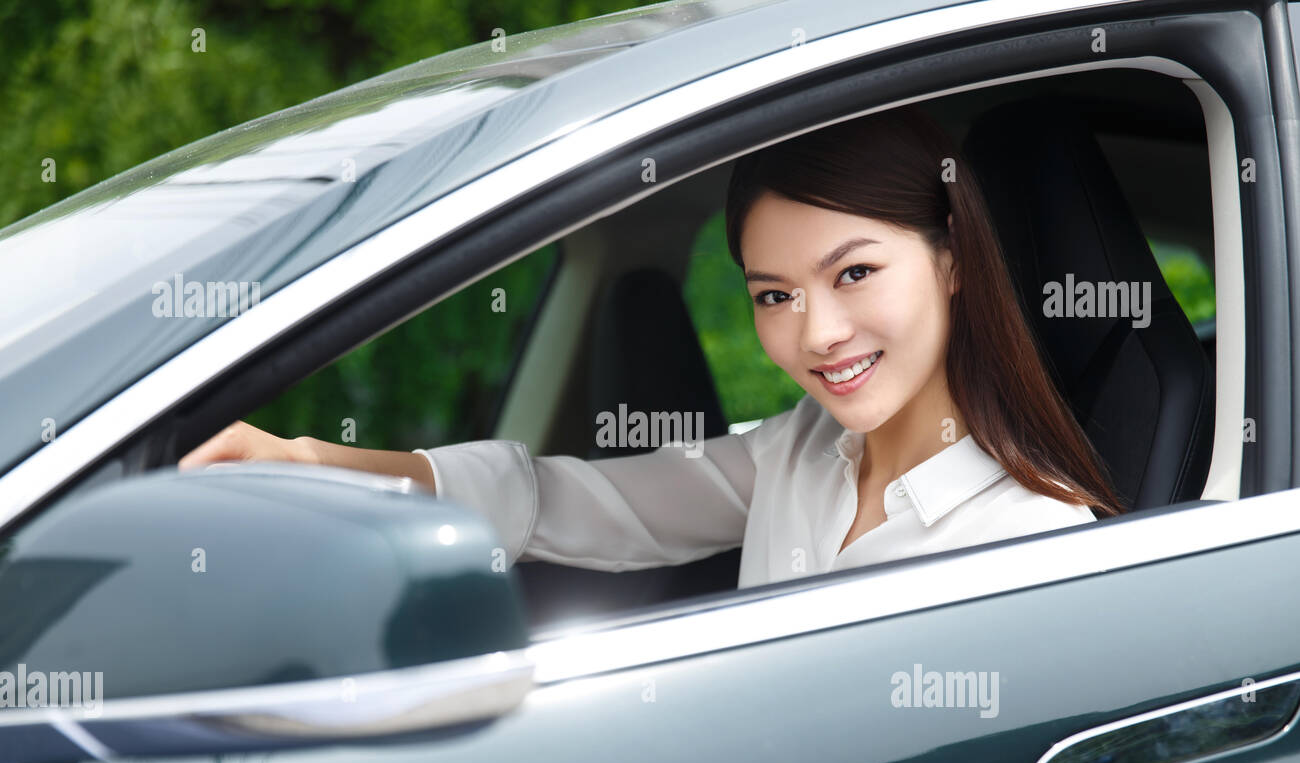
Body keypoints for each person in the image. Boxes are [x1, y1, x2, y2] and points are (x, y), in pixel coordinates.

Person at [179, 106, 1123, 588]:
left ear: (953, 261)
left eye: (855, 274)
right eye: (775, 295)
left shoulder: (1033, 542)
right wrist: (310, 462)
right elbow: (567, 501)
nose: (818, 334)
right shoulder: (799, 452)